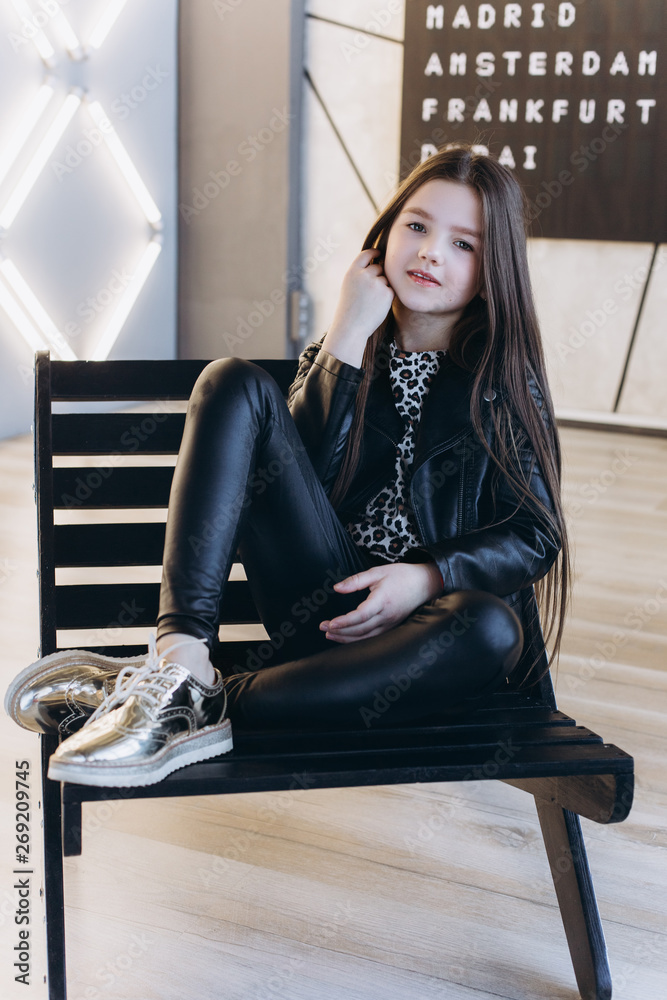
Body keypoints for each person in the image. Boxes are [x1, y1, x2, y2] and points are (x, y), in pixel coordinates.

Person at [5, 144, 570, 788]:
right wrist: (347, 335)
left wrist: (424, 576)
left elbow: (535, 534)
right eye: (416, 225)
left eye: (463, 244)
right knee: (233, 381)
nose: (430, 251)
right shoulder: (340, 349)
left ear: (494, 268)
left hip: (417, 644)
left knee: (491, 627)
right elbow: (286, 478)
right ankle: (182, 658)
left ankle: (198, 701)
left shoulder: (502, 385)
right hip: (318, 606)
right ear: (384, 236)